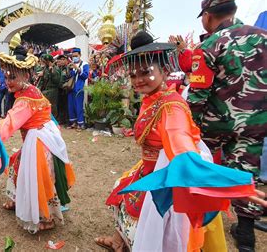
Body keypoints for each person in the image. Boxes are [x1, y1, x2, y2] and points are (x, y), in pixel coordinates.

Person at [95, 31, 264, 252]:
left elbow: (181, 145)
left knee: (155, 229)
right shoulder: (151, 98)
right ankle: (119, 241)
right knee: (123, 188)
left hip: (165, 177)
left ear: (164, 70)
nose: (138, 80)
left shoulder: (171, 107)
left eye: (146, 72)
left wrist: (229, 183)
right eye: (133, 75)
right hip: (149, 169)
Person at [187, 0, 267, 251]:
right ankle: (245, 238)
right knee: (245, 175)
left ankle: (202, 229)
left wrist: (192, 129)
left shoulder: (210, 45)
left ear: (208, 17)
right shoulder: (263, 38)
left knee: (203, 173)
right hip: (255, 123)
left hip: (215, 125)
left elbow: (198, 95)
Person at [0, 51, 75, 234]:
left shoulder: (26, 99)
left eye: (13, 77)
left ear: (26, 75)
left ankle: (46, 217)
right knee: (18, 163)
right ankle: (17, 199)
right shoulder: (29, 91)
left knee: (37, 175)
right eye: (6, 77)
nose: (8, 81)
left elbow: (10, 121)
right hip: (40, 136)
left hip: (38, 140)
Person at [67, 48, 89, 131]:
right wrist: (69, 69)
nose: (74, 58)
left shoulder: (85, 64)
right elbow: (69, 76)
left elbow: (85, 76)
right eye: (73, 56)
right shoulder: (71, 65)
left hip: (79, 88)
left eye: (76, 56)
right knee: (71, 105)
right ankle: (73, 123)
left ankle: (81, 124)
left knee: (79, 106)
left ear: (80, 55)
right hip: (71, 88)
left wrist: (78, 69)